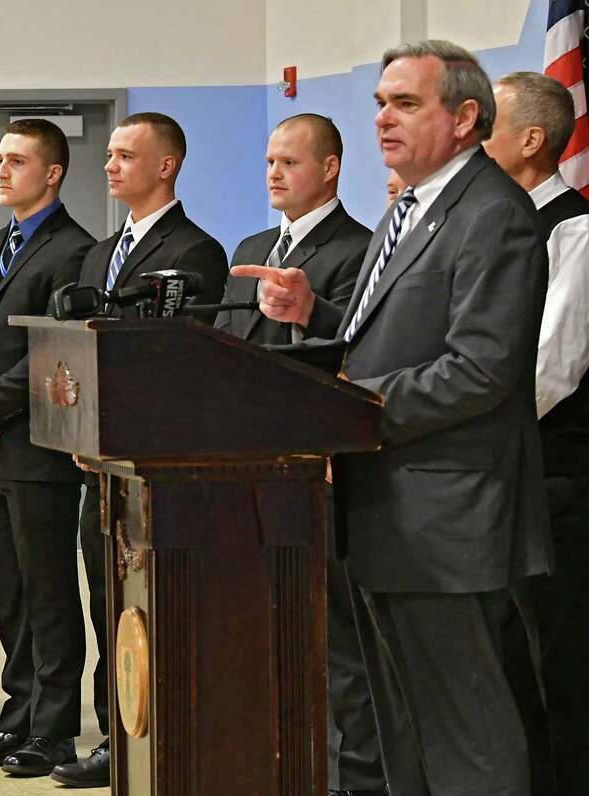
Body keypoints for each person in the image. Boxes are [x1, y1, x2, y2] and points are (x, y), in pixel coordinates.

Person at [233, 41, 551, 796]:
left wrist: (349, 408)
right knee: (405, 731)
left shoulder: (491, 214)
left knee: (465, 735)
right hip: (387, 509)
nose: (381, 118)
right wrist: (316, 313)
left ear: (465, 117)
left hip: (447, 520)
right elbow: (391, 338)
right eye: (380, 103)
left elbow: (481, 369)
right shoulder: (412, 206)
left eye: (405, 104)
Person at [54, 111, 228, 790]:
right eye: (110, 154)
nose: (110, 165)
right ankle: (114, 733)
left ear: (166, 165)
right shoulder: (100, 253)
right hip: (98, 465)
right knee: (107, 602)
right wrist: (83, 431)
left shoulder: (196, 251)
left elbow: (179, 362)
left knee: (154, 606)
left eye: (126, 155)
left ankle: (165, 733)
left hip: (154, 463)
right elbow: (81, 349)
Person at [215, 114, 383, 796]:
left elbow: (362, 355)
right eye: (269, 162)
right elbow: (224, 348)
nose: (275, 174)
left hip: (320, 473)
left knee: (337, 643)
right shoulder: (253, 247)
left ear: (331, 167)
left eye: (290, 162)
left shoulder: (360, 248)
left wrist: (309, 313)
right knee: (264, 631)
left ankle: (353, 777)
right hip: (245, 470)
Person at [0, 119, 94, 777]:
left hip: (35, 453)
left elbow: (54, 351)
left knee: (49, 595)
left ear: (52, 173)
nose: (1, 170)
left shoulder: (75, 250)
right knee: (8, 595)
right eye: (0, 159)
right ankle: (18, 716)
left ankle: (54, 730)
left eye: (17, 161)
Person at [483, 70, 589, 796]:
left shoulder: (572, 229)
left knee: (562, 668)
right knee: (508, 664)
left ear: (530, 140)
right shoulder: (498, 227)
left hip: (556, 484)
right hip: (501, 479)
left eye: (487, 124)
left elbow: (552, 371)